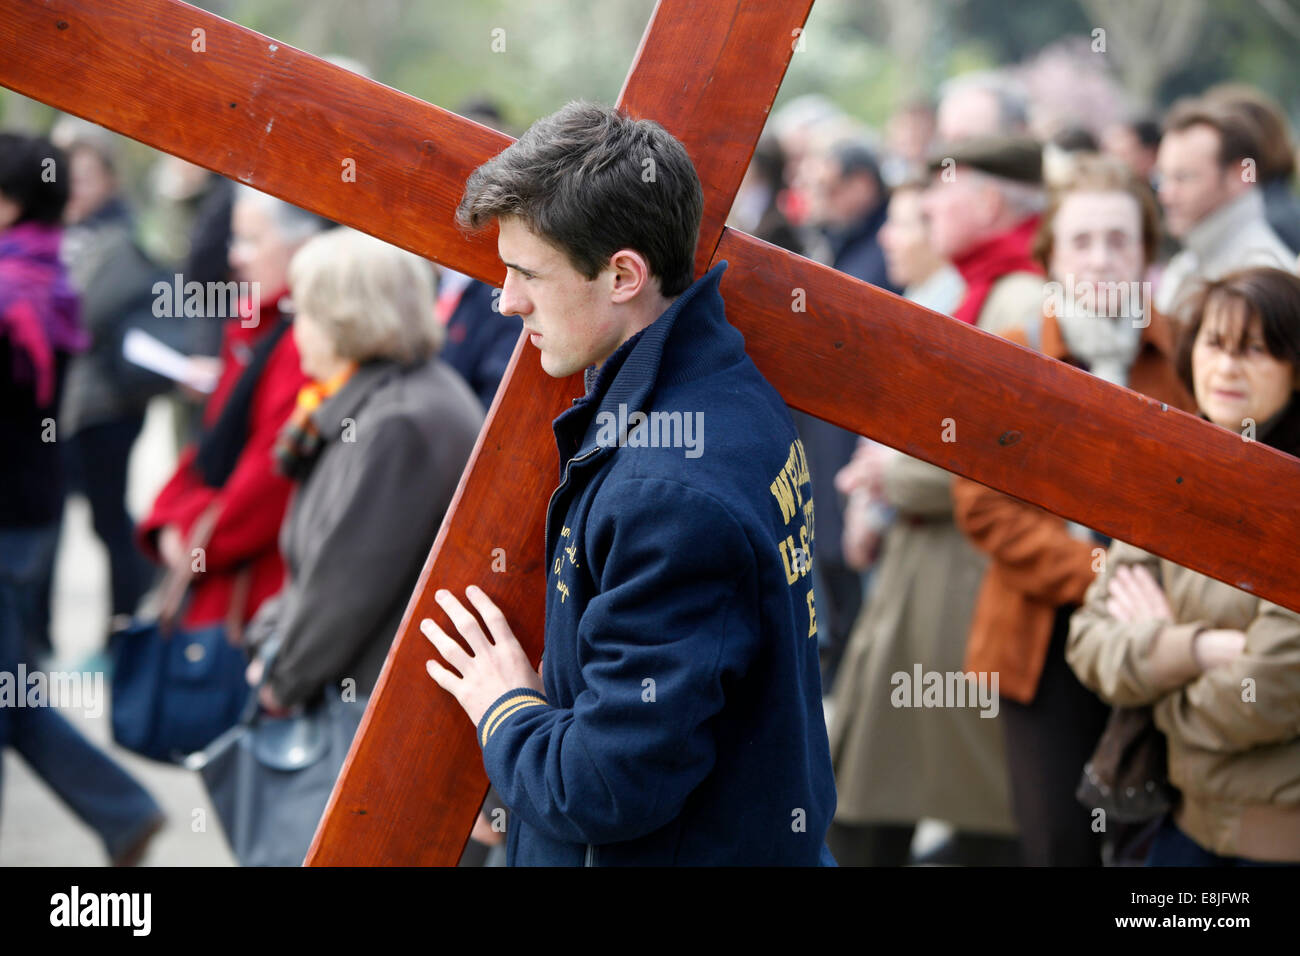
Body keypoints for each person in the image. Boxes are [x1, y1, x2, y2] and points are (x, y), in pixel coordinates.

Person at [422, 100, 837, 866]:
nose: (506, 300)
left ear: (622, 275)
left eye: (526, 274)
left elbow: (605, 787)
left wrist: (505, 710)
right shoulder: (733, 393)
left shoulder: (669, 498)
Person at [951, 157, 1195, 865]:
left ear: (1146, 252)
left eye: (1119, 239)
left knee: (1153, 844)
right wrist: (1104, 573)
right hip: (1042, 638)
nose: (1101, 257)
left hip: (1165, 628)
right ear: (1051, 253)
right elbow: (985, 509)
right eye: (1082, 240)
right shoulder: (1014, 356)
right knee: (1060, 844)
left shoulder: (1181, 351)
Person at [237, 227, 482, 862]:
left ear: (347, 317)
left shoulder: (398, 421)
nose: (297, 332)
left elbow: (343, 587)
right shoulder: (384, 400)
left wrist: (280, 677)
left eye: (306, 312)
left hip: (373, 711)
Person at [1068, 266, 1300, 866]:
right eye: (1214, 344)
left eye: (1255, 350)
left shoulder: (1292, 496)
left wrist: (1154, 677)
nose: (1227, 368)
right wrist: (1196, 651)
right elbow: (1090, 642)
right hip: (1178, 831)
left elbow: (1270, 694)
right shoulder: (1177, 477)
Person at [827, 179, 1019, 866]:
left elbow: (992, 450)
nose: (891, 235)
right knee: (878, 774)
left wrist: (884, 481)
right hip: (915, 552)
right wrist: (868, 492)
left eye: (915, 220)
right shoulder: (938, 301)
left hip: (953, 562)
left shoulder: (990, 305)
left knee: (909, 781)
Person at [0, 132, 164, 866]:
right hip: (27, 512)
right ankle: (124, 813)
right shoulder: (45, 275)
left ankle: (125, 811)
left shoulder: (12, 290)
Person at [136, 189, 327, 640]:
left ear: (303, 246)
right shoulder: (251, 325)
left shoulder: (305, 342)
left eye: (251, 241)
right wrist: (169, 518)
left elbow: (266, 485)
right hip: (220, 582)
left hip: (251, 603)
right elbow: (206, 445)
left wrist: (185, 533)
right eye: (235, 241)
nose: (235, 258)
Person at [55, 131, 160, 636]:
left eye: (83, 179)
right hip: (72, 406)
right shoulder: (60, 233)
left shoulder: (116, 241)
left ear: (110, 182)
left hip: (106, 408)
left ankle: (123, 624)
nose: (71, 189)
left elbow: (81, 317)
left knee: (108, 520)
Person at [1153, 98, 1294, 318]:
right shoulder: (1188, 263)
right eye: (1162, 176)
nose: (1165, 193)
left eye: (1183, 178)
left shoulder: (1262, 276)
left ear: (1238, 175)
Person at [922, 135, 1047, 335]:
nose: (926, 205)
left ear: (988, 203)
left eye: (942, 188)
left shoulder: (1025, 301)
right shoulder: (979, 282)